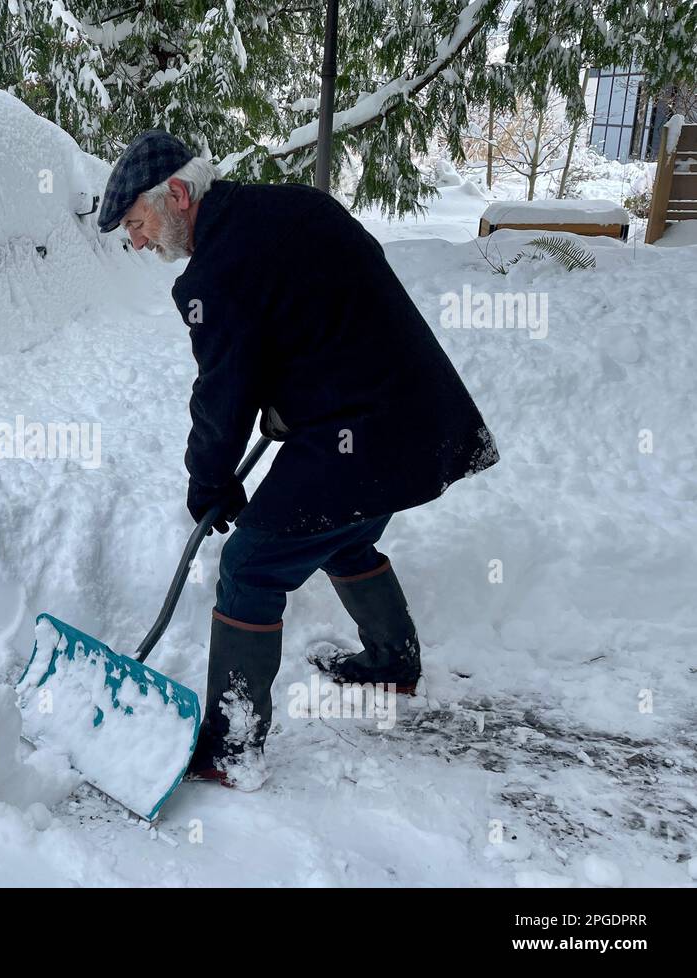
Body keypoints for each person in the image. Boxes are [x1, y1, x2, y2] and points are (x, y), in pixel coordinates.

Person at [97, 130, 499, 787]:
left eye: (136, 223)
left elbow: (222, 396)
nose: (136, 241)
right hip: (419, 416)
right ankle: (392, 664)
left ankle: (233, 748)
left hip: (363, 433)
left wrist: (210, 483)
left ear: (175, 194)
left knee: (251, 565)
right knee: (342, 533)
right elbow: (331, 314)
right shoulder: (296, 206)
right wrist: (297, 391)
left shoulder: (216, 271)